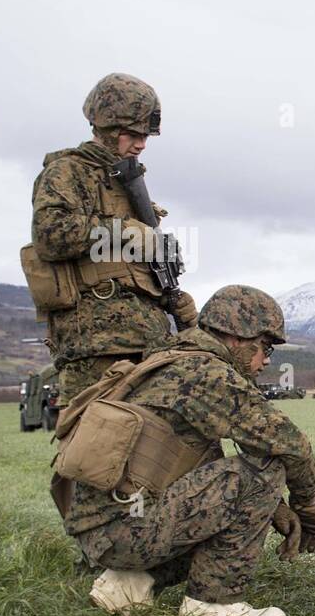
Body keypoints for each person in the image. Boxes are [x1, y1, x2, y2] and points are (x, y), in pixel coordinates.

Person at [53, 286, 315, 616]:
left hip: (105, 531)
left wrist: (276, 508)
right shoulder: (205, 373)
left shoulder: (165, 360)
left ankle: (130, 582)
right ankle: (213, 602)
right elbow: (292, 445)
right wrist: (308, 512)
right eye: (264, 347)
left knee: (226, 489)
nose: (266, 360)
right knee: (267, 468)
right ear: (236, 337)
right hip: (126, 530)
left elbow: (199, 471)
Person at [25, 72, 196, 405]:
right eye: (132, 133)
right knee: (95, 446)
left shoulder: (126, 182)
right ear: (105, 128)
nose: (142, 143)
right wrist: (123, 230)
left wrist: (177, 302)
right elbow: (50, 234)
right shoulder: (68, 172)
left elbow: (138, 268)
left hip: (149, 340)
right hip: (96, 344)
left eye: (145, 135)